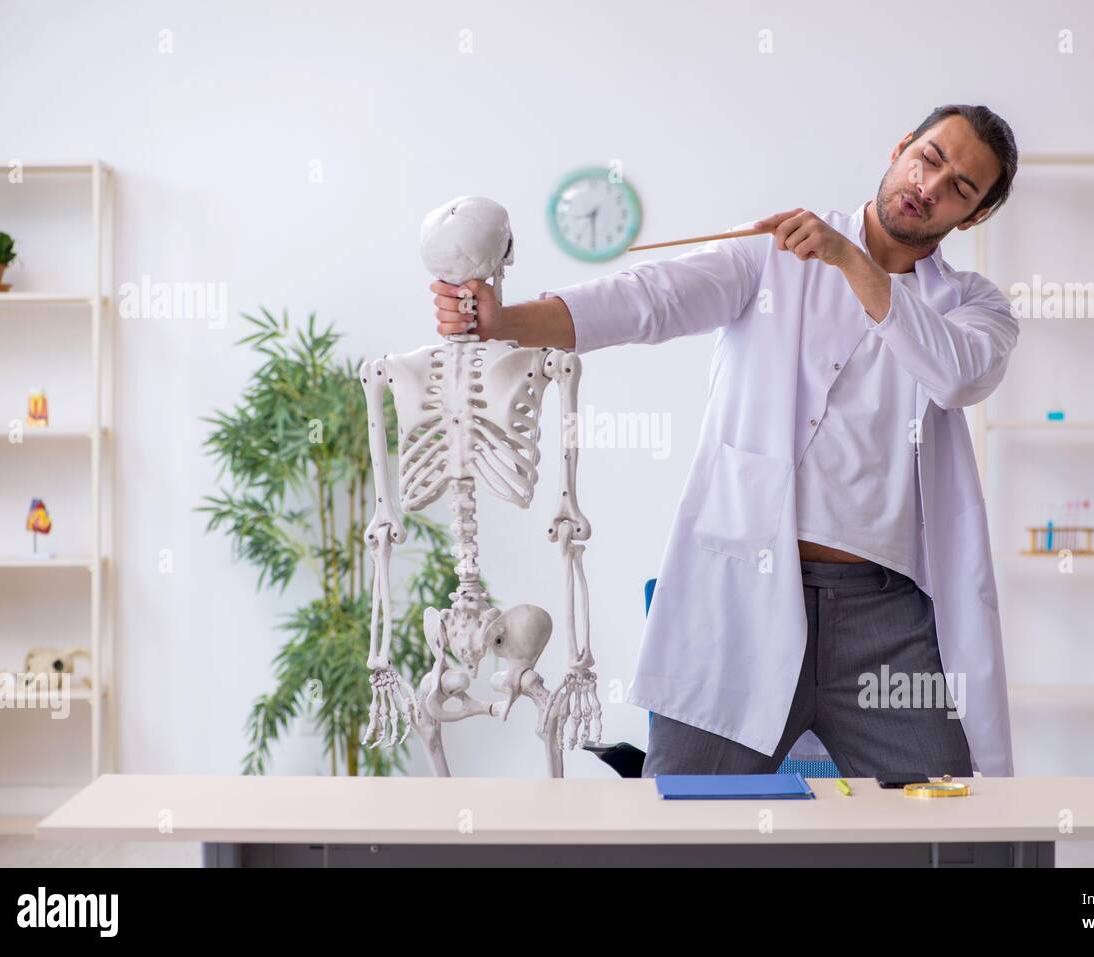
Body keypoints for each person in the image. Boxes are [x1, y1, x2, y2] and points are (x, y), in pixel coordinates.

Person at [431, 104, 1019, 779]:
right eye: (931, 156)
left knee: (952, 817)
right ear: (902, 146)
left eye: (960, 188)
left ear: (970, 218)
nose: (931, 184)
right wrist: (504, 320)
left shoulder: (976, 309)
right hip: (744, 595)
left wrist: (850, 262)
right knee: (682, 819)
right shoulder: (774, 252)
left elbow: (955, 373)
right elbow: (647, 300)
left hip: (886, 618)